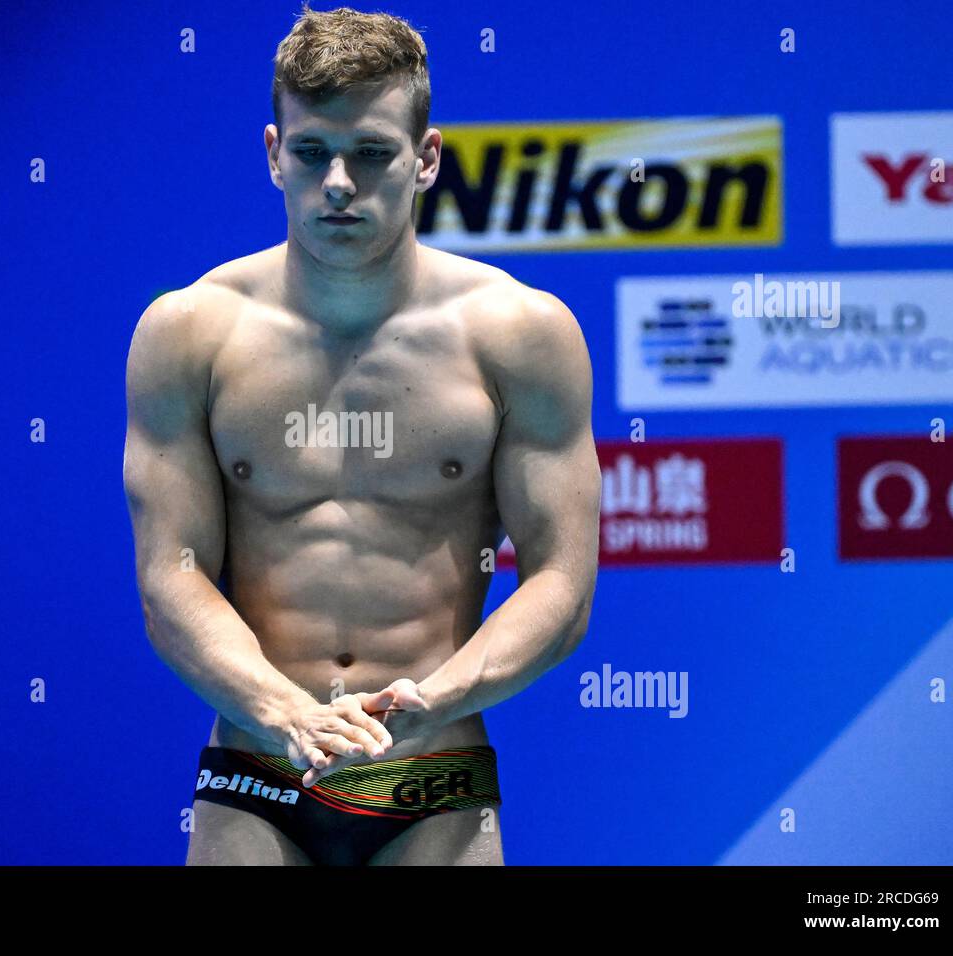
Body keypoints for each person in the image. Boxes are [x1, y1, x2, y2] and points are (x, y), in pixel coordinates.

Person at [123, 3, 601, 866]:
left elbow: (563, 584)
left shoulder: (520, 335)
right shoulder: (187, 334)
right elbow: (170, 581)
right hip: (259, 771)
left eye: (371, 153)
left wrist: (438, 697)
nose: (338, 182)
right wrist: (284, 708)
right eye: (312, 153)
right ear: (274, 154)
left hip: (433, 779)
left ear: (425, 158)